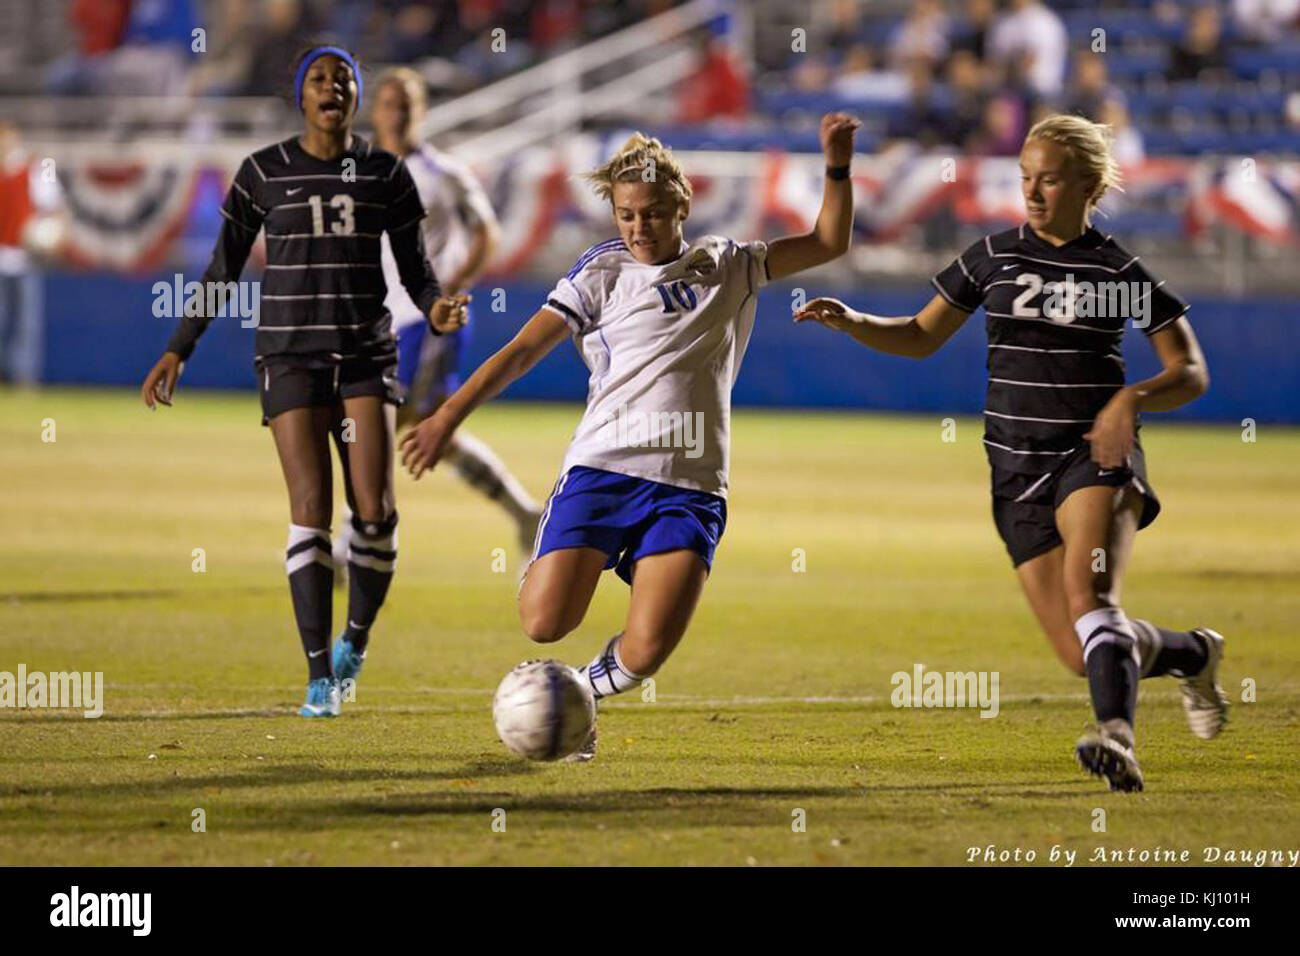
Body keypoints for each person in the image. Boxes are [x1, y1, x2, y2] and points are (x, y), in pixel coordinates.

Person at [401, 113, 860, 760]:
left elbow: (829, 241)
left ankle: (581, 696)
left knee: (644, 655)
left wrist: (837, 165)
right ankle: (555, 560)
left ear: (681, 207)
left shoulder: (728, 264)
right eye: (625, 215)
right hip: (603, 469)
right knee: (543, 623)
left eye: (651, 214)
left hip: (691, 487)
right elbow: (521, 352)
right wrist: (447, 415)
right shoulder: (601, 272)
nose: (638, 228)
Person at [795, 114, 1228, 792]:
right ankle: (1194, 653)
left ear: (1088, 183)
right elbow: (918, 335)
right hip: (1013, 467)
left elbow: (1191, 370)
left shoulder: (1117, 269)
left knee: (1091, 595)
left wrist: (1131, 400)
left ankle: (1116, 736)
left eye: (1049, 179)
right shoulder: (992, 255)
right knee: (1079, 649)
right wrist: (854, 322)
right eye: (1025, 177)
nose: (1032, 191)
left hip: (1093, 457)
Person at [140, 45, 466, 717]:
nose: (332, 87)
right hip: (289, 354)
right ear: (302, 96)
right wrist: (179, 349)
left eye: (342, 78)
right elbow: (222, 269)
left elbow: (416, 270)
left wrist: (435, 308)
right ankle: (320, 676)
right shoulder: (264, 171)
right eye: (319, 78)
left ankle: (356, 638)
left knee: (373, 509)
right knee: (310, 508)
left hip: (364, 355)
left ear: (353, 96)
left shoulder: (384, 173)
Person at [330, 67, 541, 593]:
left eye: (407, 105)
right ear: (375, 111)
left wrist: (456, 284)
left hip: (425, 325)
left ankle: (347, 548)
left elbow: (487, 232)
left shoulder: (443, 172)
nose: (398, 114)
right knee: (433, 436)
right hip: (380, 322)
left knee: (376, 423)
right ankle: (527, 517)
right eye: (389, 104)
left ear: (420, 111)